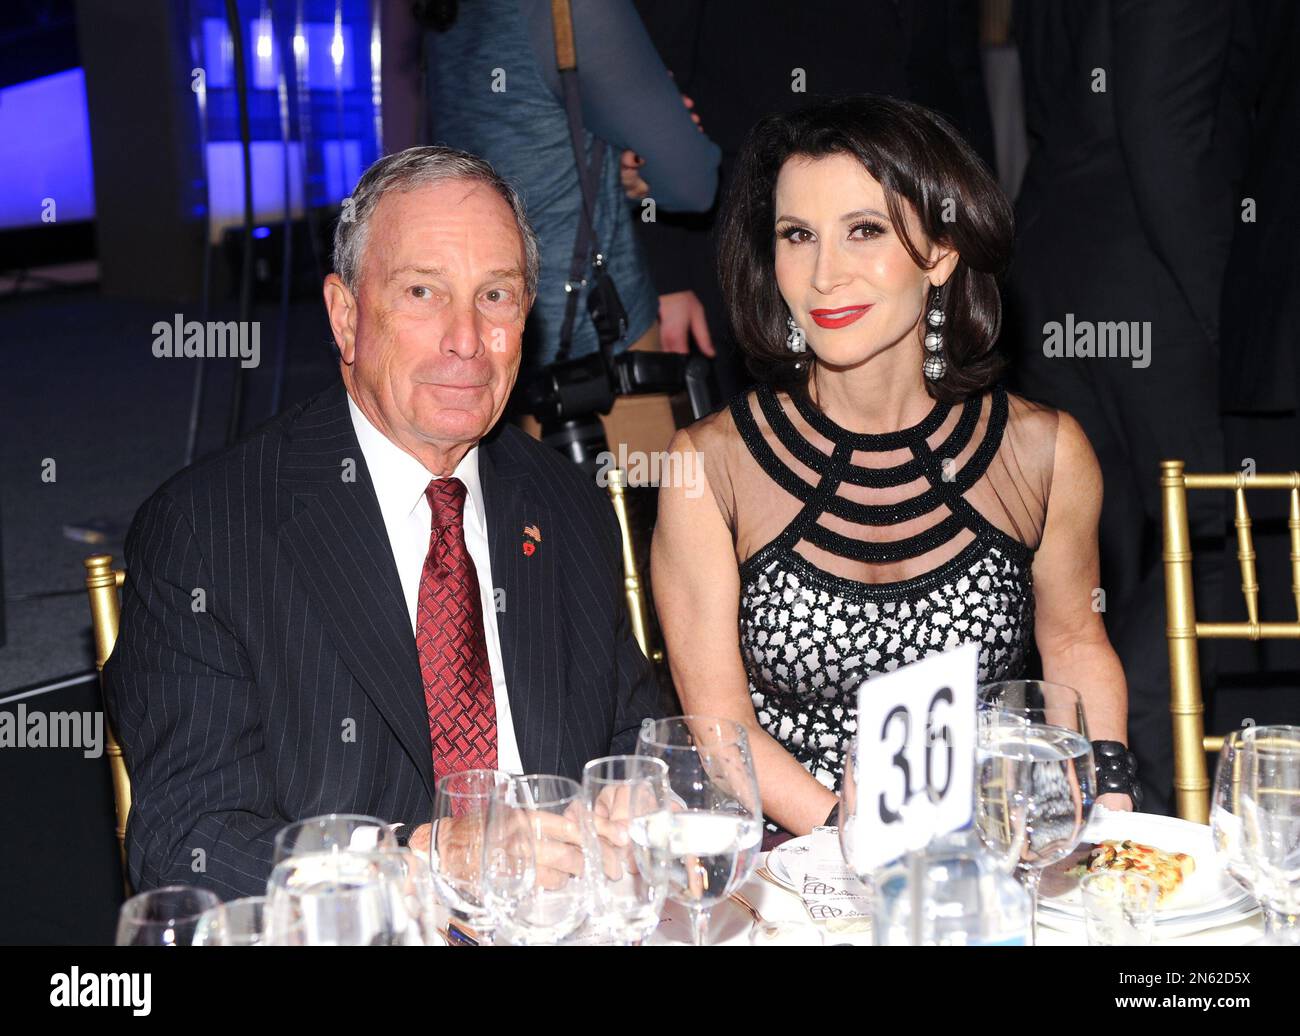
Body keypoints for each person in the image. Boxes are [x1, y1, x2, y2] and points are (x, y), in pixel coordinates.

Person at [104, 146, 659, 898]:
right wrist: (422, 866)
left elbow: (631, 737)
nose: (466, 339)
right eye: (424, 292)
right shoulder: (209, 534)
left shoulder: (565, 503)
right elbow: (189, 843)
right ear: (345, 316)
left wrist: (637, 803)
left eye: (496, 296)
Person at [651, 96, 1136, 842]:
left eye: (864, 231)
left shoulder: (1043, 452)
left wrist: (1107, 800)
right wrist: (858, 835)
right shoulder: (708, 468)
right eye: (796, 235)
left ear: (941, 251)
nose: (823, 274)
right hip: (792, 851)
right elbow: (721, 729)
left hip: (991, 839)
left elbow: (1075, 642)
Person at [1008, 1, 1254, 813]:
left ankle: (1078, 789)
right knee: (1208, 542)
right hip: (1156, 276)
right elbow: (1163, 127)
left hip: (1062, 258)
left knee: (1095, 561)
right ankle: (1137, 788)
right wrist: (1225, 301)